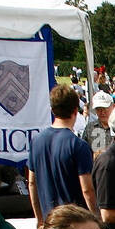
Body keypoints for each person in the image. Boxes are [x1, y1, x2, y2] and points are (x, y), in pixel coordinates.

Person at [27, 84, 97, 221]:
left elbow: (32, 183)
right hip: (75, 223)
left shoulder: (36, 141)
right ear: (76, 110)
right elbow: (87, 190)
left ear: (52, 110)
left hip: (49, 221)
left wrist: (39, 219)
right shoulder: (79, 145)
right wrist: (96, 218)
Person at [82, 91, 115, 157]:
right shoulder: (90, 128)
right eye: (98, 109)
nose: (102, 112)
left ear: (113, 106)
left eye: (105, 108)